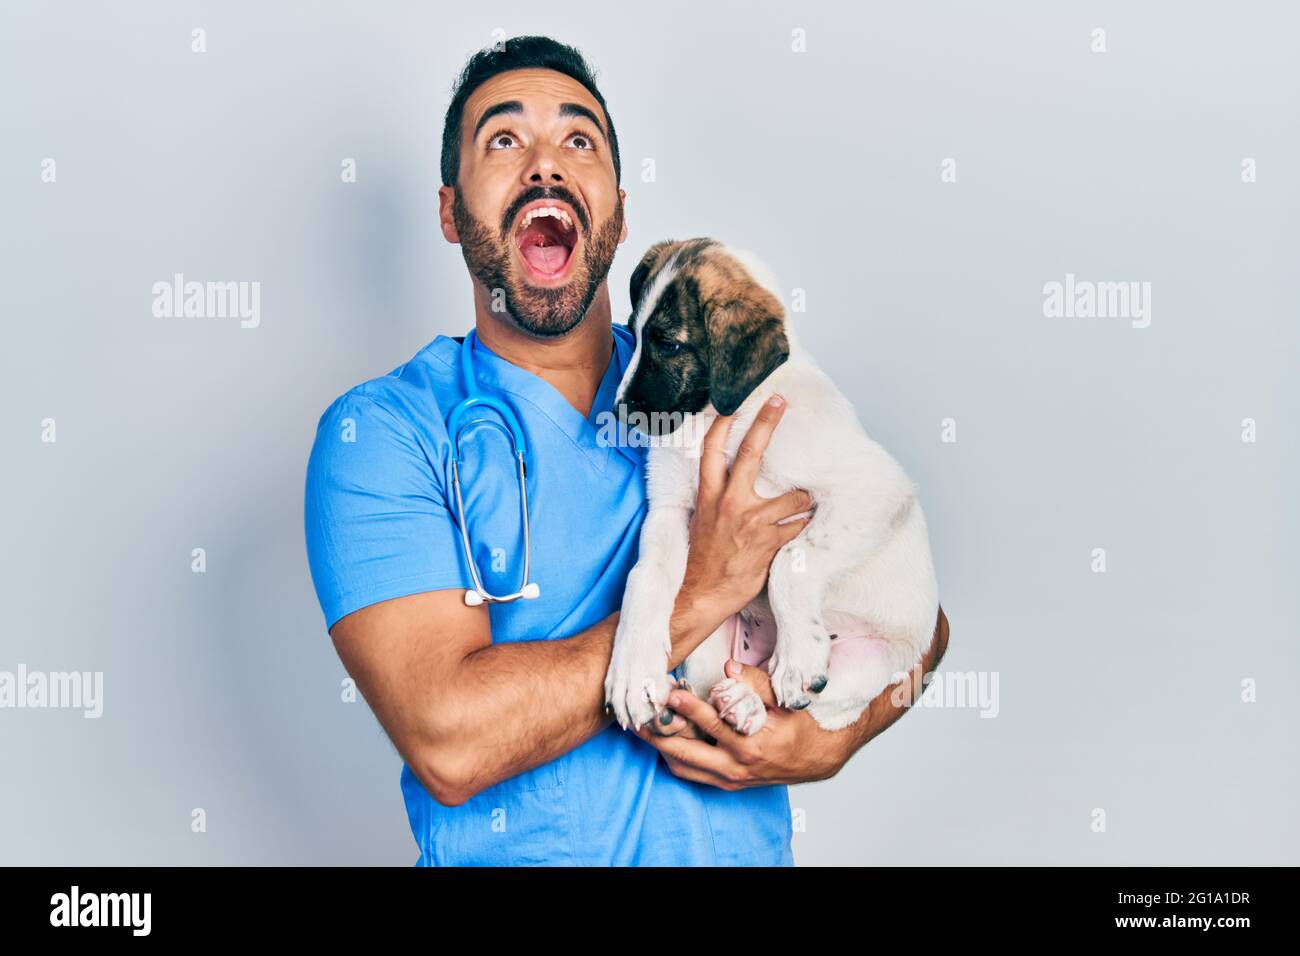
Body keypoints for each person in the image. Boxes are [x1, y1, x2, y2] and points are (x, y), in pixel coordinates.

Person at [303, 35, 949, 866]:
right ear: (448, 209)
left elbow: (914, 612)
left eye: (580, 141)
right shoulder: (386, 435)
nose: (546, 166)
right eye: (504, 140)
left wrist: (840, 735)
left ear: (617, 210)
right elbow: (449, 743)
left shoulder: (715, 383)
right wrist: (703, 595)